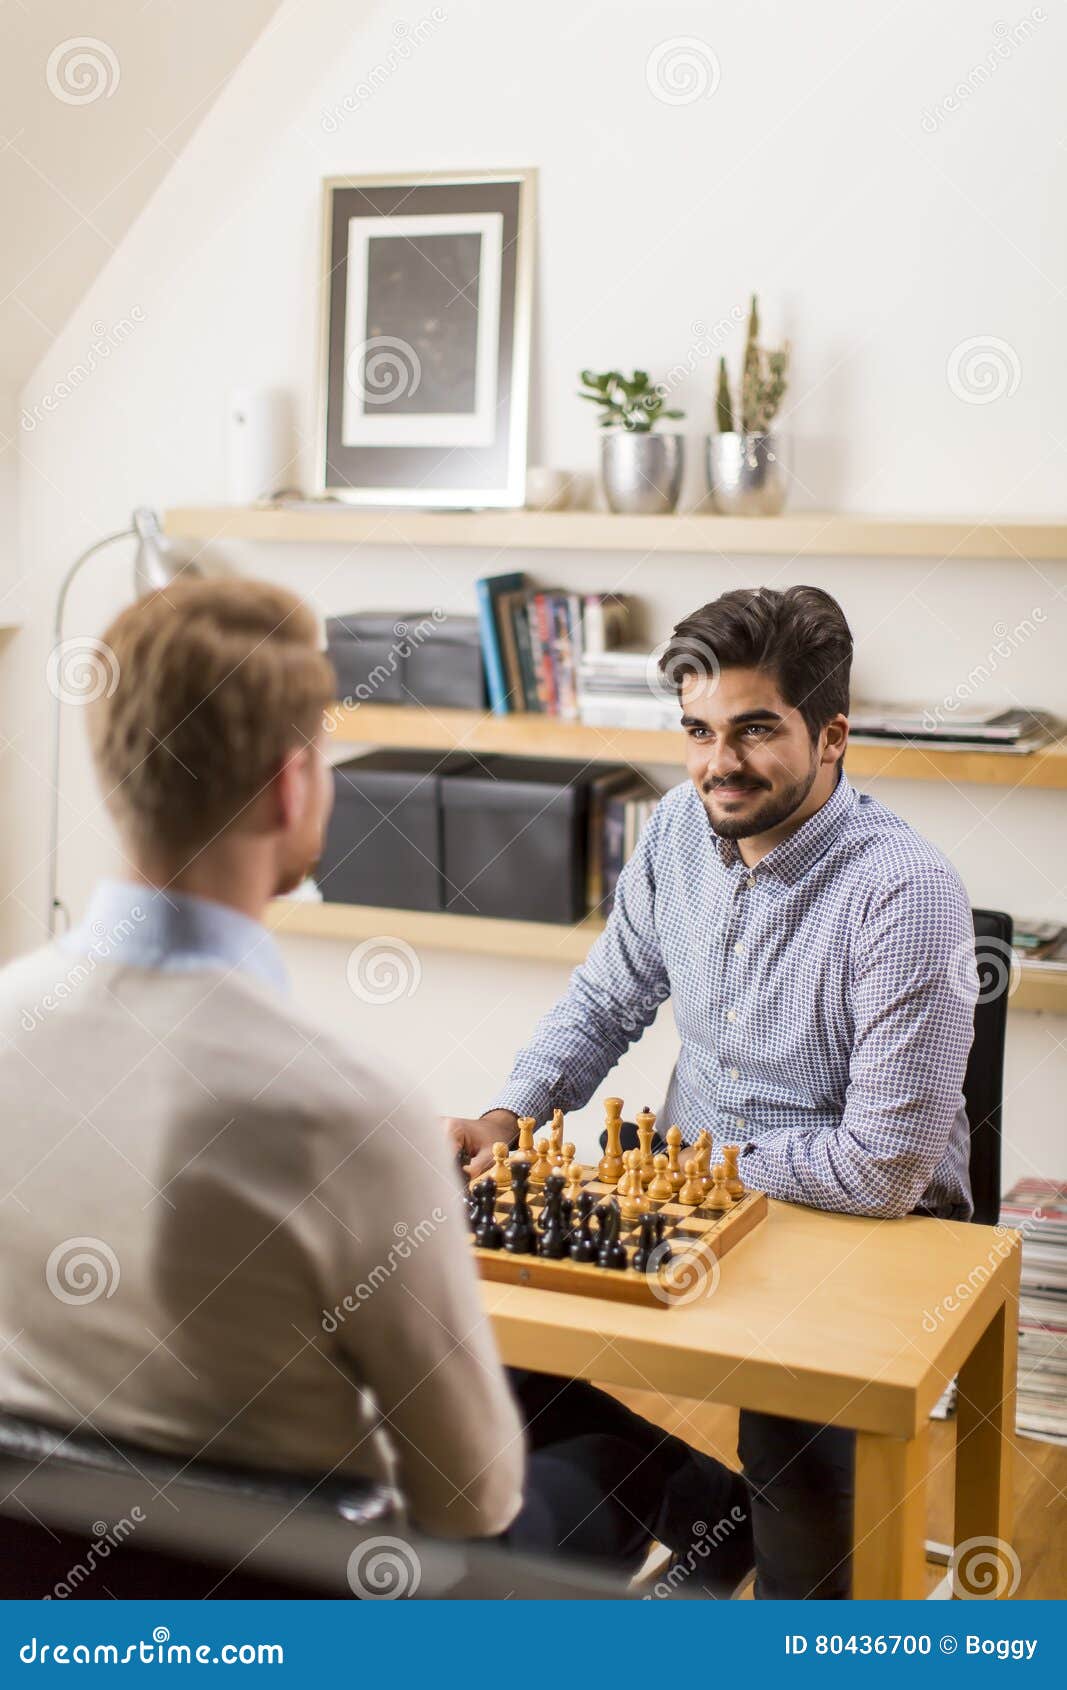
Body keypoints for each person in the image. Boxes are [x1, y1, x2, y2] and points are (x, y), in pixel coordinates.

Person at [0, 577, 752, 1594]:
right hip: (321, 1599)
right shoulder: (350, 1115)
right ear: (291, 786)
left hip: (50, 1585)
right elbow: (472, 1494)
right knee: (610, 1461)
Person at [447, 584, 979, 1599]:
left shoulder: (903, 892)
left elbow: (882, 1170)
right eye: (695, 730)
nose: (715, 764)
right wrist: (507, 1116)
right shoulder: (676, 837)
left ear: (830, 736)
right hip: (690, 1204)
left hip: (862, 1235)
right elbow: (605, 1000)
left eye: (752, 731)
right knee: (464, 1342)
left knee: (810, 1592)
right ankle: (698, 1503)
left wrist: (670, 1173)